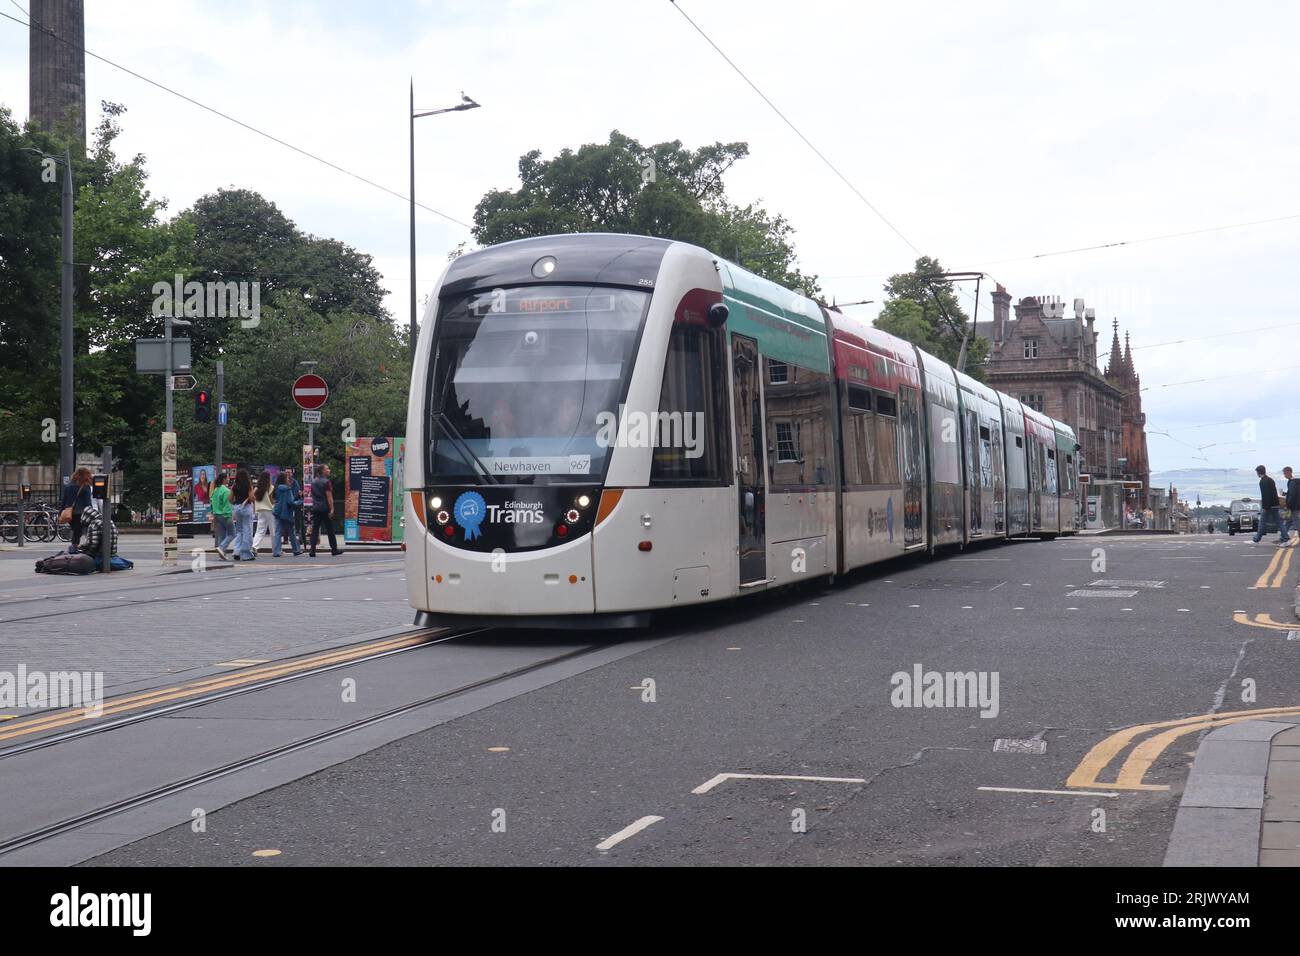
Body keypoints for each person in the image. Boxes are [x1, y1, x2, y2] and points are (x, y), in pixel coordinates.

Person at [309, 464, 342, 557]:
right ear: (323, 471)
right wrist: (332, 509)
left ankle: (312, 550)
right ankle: (334, 549)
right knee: (330, 529)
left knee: (315, 529)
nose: (329, 470)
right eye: (327, 469)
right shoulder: (327, 482)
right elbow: (329, 496)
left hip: (316, 508)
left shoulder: (313, 482)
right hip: (325, 508)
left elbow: (313, 495)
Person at [59, 467, 94, 552]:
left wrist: (60, 512)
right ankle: (75, 548)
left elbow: (64, 501)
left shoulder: (68, 487)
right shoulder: (86, 487)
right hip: (82, 513)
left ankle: (75, 547)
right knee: (83, 532)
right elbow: (88, 502)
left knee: (76, 531)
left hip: (70, 514)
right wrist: (92, 512)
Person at [272, 468, 302, 557]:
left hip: (278, 511)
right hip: (287, 512)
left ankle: (276, 551)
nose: (288, 479)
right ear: (284, 479)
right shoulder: (287, 489)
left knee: (278, 532)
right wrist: (301, 501)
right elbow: (291, 502)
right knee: (291, 531)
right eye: (287, 477)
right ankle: (296, 549)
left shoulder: (276, 488)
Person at [1252, 465, 1285, 545]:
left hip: (1268, 506)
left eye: (1257, 472)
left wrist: (1266, 507)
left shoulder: (1263, 481)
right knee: (1279, 522)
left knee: (1262, 523)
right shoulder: (1270, 480)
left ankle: (1256, 539)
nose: (1257, 474)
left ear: (1259, 472)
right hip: (1275, 504)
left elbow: (1265, 495)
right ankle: (1286, 537)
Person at [231, 468, 256, 561]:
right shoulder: (248, 485)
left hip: (237, 507)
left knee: (239, 530)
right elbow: (251, 498)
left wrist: (236, 503)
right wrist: (253, 496)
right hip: (246, 507)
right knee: (247, 530)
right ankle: (246, 553)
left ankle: (236, 551)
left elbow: (230, 499)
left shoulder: (234, 486)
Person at [210, 472, 234, 559]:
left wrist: (213, 512)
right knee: (232, 534)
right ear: (224, 480)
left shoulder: (215, 490)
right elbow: (227, 505)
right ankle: (221, 548)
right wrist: (228, 515)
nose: (229, 479)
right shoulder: (226, 491)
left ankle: (221, 554)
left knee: (222, 535)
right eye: (227, 478)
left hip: (216, 514)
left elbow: (212, 502)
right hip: (225, 514)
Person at [251, 472, 275, 554]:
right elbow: (271, 501)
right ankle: (275, 549)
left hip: (260, 511)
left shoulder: (256, 489)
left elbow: (254, 500)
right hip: (270, 510)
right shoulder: (271, 487)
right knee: (273, 530)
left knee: (259, 530)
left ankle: (254, 546)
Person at [280, 466, 303, 547]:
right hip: (284, 504)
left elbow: (297, 492)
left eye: (289, 472)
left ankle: (292, 537)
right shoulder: (282, 482)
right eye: (286, 472)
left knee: (292, 521)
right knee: (285, 521)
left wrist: (292, 499)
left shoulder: (294, 482)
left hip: (292, 504)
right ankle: (286, 538)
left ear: (292, 473)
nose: (287, 474)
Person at [1282, 466, 1300, 547]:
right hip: (1296, 505)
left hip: (1293, 506)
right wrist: (1286, 494)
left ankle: (1284, 537)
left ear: (1289, 472)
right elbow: (1292, 493)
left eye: (1285, 473)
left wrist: (1287, 505)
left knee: (1296, 522)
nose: (1284, 475)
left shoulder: (1292, 482)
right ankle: (1283, 537)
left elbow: (1292, 495)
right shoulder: (1294, 482)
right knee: (1289, 521)